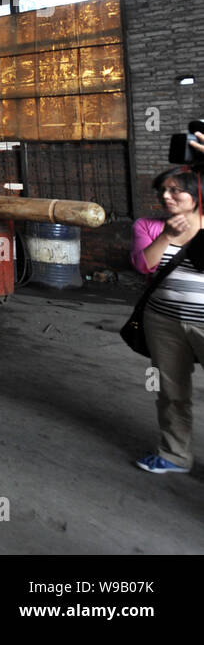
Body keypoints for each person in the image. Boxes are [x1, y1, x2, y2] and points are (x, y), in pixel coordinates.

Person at [129, 165, 204, 473]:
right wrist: (168, 236)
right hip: (163, 322)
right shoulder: (147, 225)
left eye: (175, 190)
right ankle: (174, 455)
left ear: (197, 193)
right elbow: (143, 265)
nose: (166, 195)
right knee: (172, 392)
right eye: (163, 190)